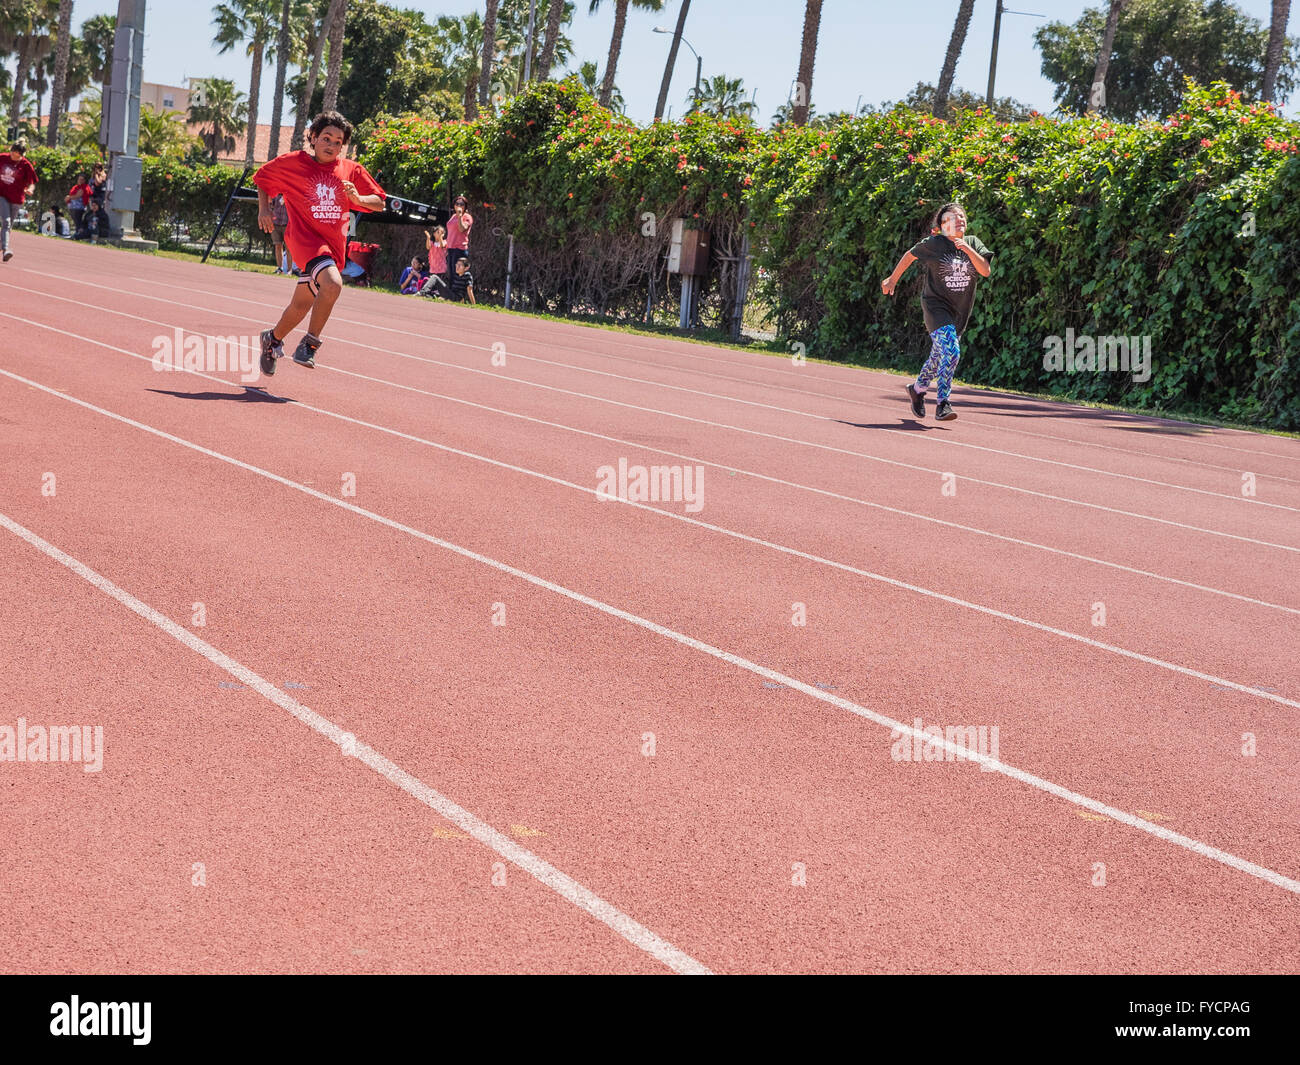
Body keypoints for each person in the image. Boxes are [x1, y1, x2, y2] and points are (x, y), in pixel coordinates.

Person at [252, 110, 386, 376]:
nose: (332, 145)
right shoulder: (292, 163)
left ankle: (272, 339)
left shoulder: (351, 169)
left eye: (338, 142)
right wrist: (263, 209)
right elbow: (263, 179)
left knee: (300, 305)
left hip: (332, 246)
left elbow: (380, 202)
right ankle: (309, 345)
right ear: (312, 137)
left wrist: (358, 199)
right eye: (326, 138)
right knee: (334, 284)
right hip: (304, 240)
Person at [881, 201, 992, 422]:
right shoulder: (934, 244)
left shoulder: (973, 243)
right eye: (952, 217)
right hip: (935, 307)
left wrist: (967, 248)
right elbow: (910, 255)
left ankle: (918, 388)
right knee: (952, 352)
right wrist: (893, 279)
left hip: (959, 311)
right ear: (942, 225)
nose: (959, 219)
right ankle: (943, 403)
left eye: (961, 216)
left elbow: (985, 271)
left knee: (939, 355)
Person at [0, 139, 38, 262]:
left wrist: (30, 190)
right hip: (2, 195)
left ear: (21, 155)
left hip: (17, 198)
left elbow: (32, 183)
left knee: (8, 225)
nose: (12, 156)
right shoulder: (2, 158)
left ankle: (2, 245)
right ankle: (6, 249)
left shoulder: (26, 165)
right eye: (12, 153)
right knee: (6, 221)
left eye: (16, 156)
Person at [445, 194, 472, 275]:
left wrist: (460, 216)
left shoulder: (467, 217)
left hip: (459, 249)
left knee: (457, 274)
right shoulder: (453, 216)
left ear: (465, 206)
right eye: (457, 204)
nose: (459, 206)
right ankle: (452, 288)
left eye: (461, 204)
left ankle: (459, 288)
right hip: (451, 249)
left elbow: (461, 229)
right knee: (451, 274)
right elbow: (450, 232)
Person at [418, 225, 448, 298]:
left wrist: (440, 237)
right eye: (437, 232)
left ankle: (440, 295)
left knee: (439, 283)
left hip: (441, 268)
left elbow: (441, 246)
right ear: (434, 234)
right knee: (432, 283)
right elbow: (428, 247)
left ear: (443, 234)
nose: (439, 234)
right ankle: (432, 294)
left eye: (441, 233)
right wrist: (428, 238)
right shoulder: (432, 243)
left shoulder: (445, 242)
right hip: (433, 268)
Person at [85, 163, 111, 242]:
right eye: (95, 168)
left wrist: (97, 174)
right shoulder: (92, 176)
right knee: (91, 213)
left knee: (98, 214)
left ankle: (96, 232)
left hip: (99, 198)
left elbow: (98, 183)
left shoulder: (102, 175)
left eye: (99, 167)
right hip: (92, 197)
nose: (96, 169)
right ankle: (89, 230)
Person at [65, 172, 91, 238]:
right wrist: (68, 198)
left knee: (78, 221)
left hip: (79, 208)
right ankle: (77, 233)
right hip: (73, 207)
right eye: (79, 179)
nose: (80, 181)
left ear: (84, 180)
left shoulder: (84, 187)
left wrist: (69, 197)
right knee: (76, 221)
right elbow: (72, 194)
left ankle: (79, 234)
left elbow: (78, 195)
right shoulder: (76, 187)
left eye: (82, 179)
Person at [270, 193, 291, 273]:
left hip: (288, 224)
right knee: (278, 245)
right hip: (276, 223)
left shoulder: (291, 194)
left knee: (289, 247)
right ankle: (280, 268)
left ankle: (289, 270)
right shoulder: (275, 194)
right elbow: (271, 205)